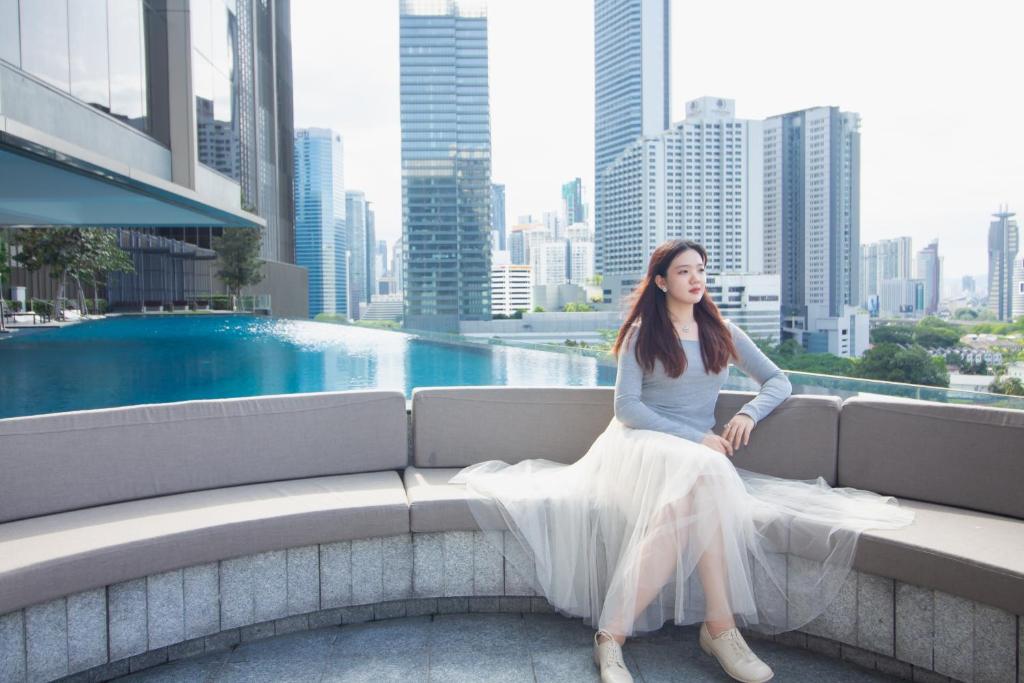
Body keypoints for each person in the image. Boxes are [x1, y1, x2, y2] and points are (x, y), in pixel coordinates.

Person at [450, 239, 915, 683]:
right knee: (706, 473)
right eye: (684, 271)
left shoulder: (722, 331)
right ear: (660, 282)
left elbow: (778, 381)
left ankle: (614, 636)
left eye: (700, 271)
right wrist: (698, 437)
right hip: (641, 445)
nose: (696, 279)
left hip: (697, 455)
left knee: (688, 499)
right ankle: (718, 629)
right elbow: (627, 408)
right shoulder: (642, 333)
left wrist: (749, 414)